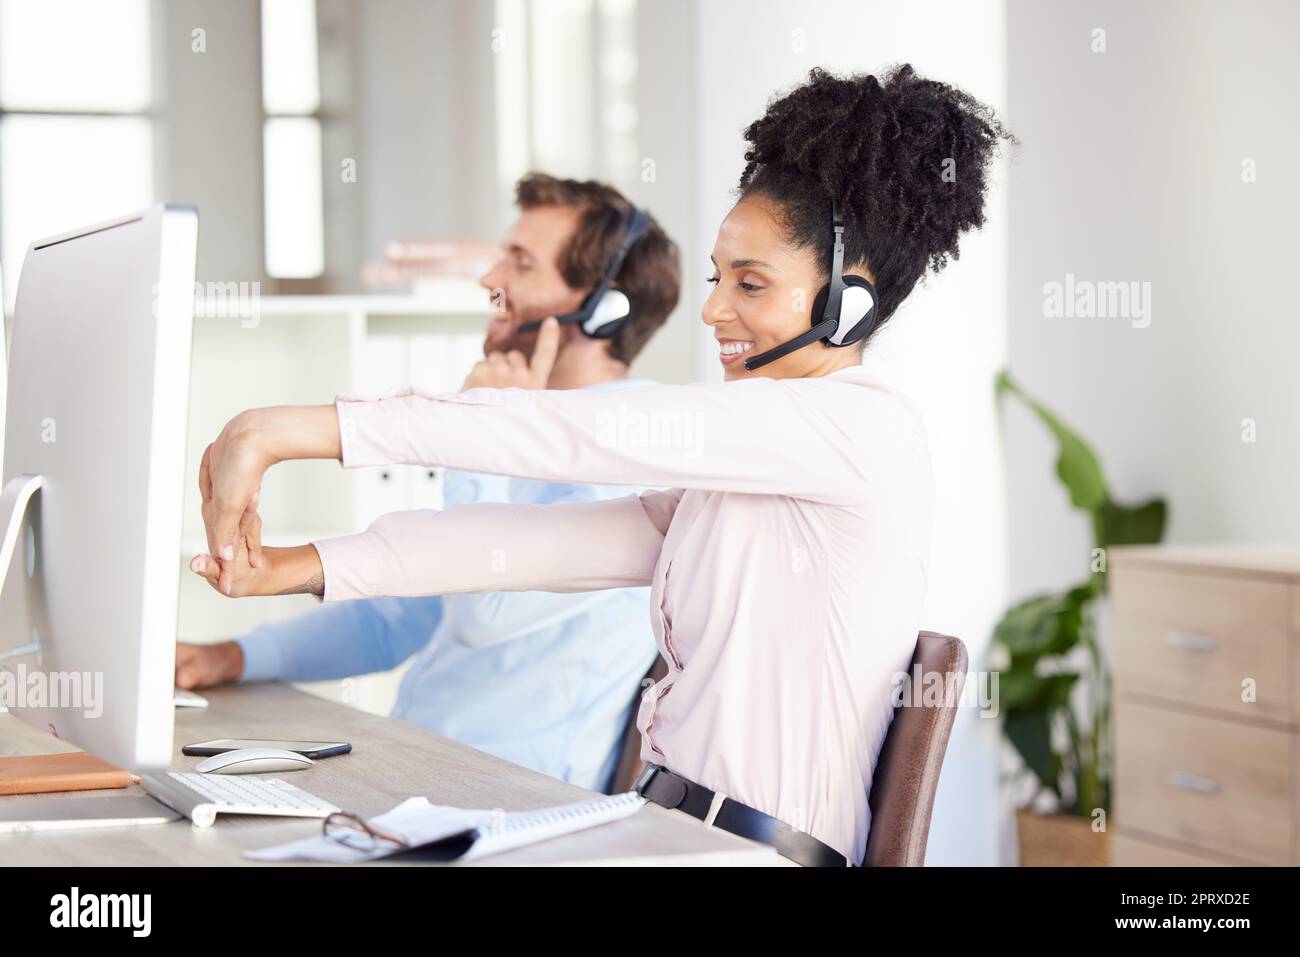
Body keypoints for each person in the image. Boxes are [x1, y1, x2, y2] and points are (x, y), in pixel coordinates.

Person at [189, 66, 1012, 865]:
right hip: (665, 828)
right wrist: (301, 566)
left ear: (848, 303)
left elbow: (580, 435)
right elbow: (535, 546)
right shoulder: (747, 472)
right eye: (720, 277)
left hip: (746, 849)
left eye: (751, 284)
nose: (715, 308)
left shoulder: (860, 425)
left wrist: (283, 429)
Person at [177, 173, 682, 793]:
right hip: (422, 774)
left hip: (517, 810)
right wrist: (234, 658)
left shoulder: (630, 446)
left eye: (520, 263)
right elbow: (399, 619)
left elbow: (484, 614)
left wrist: (484, 430)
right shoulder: (539, 420)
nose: (489, 279)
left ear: (604, 309)